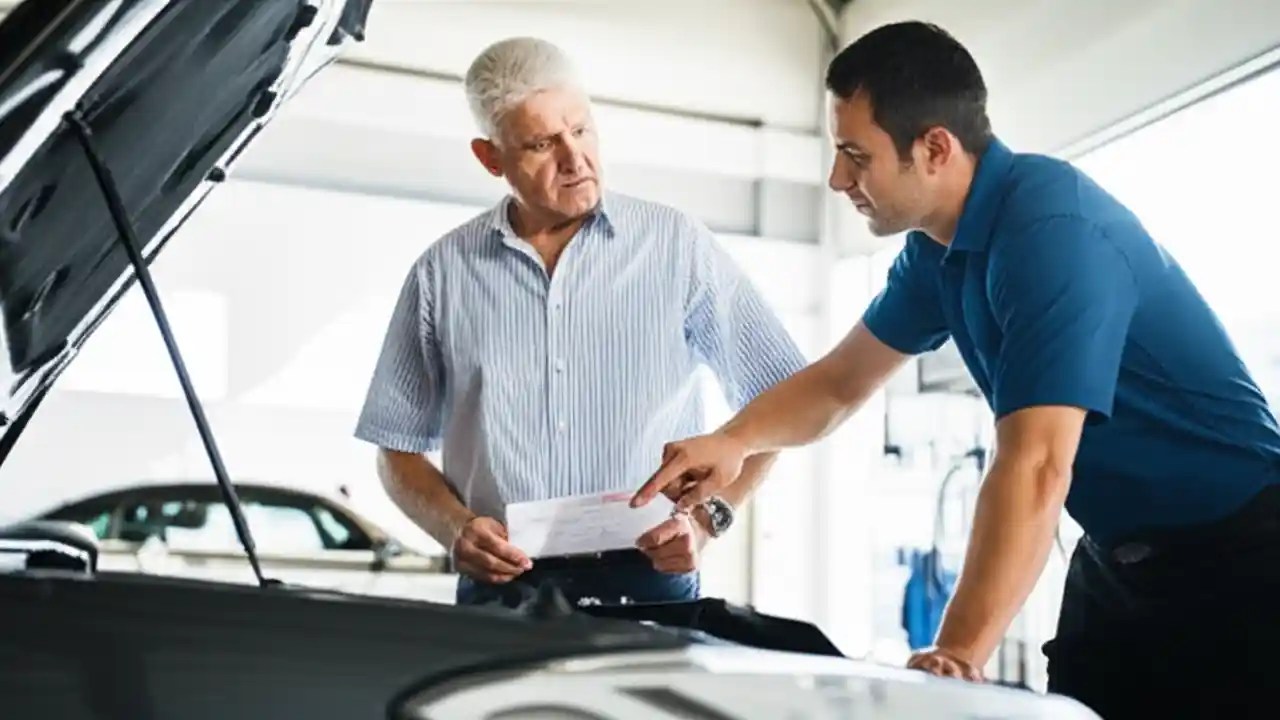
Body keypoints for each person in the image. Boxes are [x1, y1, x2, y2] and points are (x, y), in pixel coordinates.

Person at [631, 20, 1280, 719]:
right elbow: (839, 383)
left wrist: (960, 654)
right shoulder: (936, 253)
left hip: (1244, 557)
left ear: (934, 148)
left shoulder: (1050, 231)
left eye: (856, 154)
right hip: (1118, 559)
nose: (837, 178)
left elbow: (1036, 466)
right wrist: (734, 440)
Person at [353, 36, 806, 609]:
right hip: (502, 587)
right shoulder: (441, 274)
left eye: (582, 130)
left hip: (649, 579)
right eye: (543, 143)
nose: (575, 160)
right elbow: (396, 449)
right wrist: (454, 529)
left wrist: (709, 520)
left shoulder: (676, 247)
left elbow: (787, 401)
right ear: (491, 157)